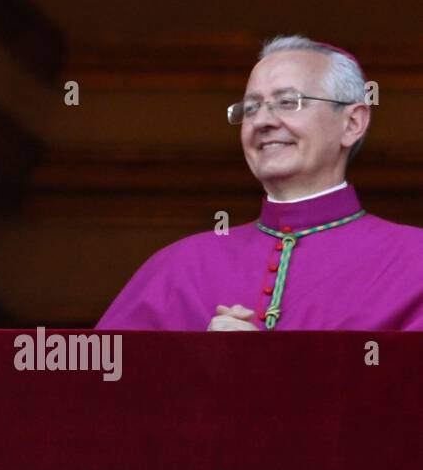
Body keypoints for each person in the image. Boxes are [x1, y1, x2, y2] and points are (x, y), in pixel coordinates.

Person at [97, 35, 423, 331]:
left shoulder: (414, 262)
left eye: (288, 102)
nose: (263, 121)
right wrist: (195, 365)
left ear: (352, 123)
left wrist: (265, 368)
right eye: (251, 107)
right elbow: (94, 387)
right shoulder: (178, 267)